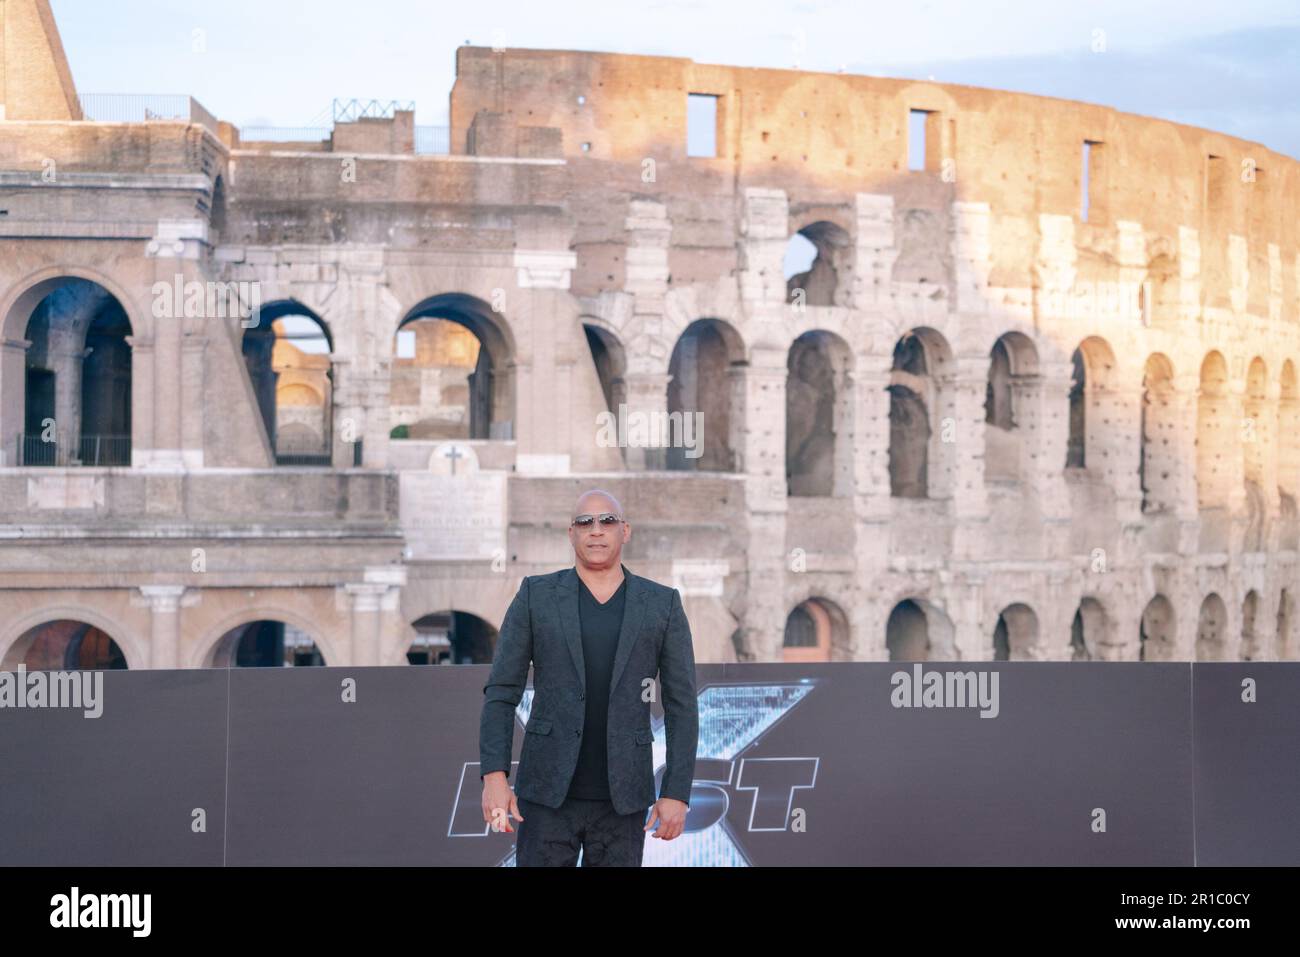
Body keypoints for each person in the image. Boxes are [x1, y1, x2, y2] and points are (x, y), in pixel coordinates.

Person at [479, 488, 698, 866]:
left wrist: (676, 792)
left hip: (624, 799)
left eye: (607, 521)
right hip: (546, 795)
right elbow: (501, 691)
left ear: (625, 531)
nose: (596, 530)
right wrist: (494, 777)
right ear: (571, 533)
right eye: (585, 522)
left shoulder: (661, 603)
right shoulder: (536, 596)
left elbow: (681, 705)